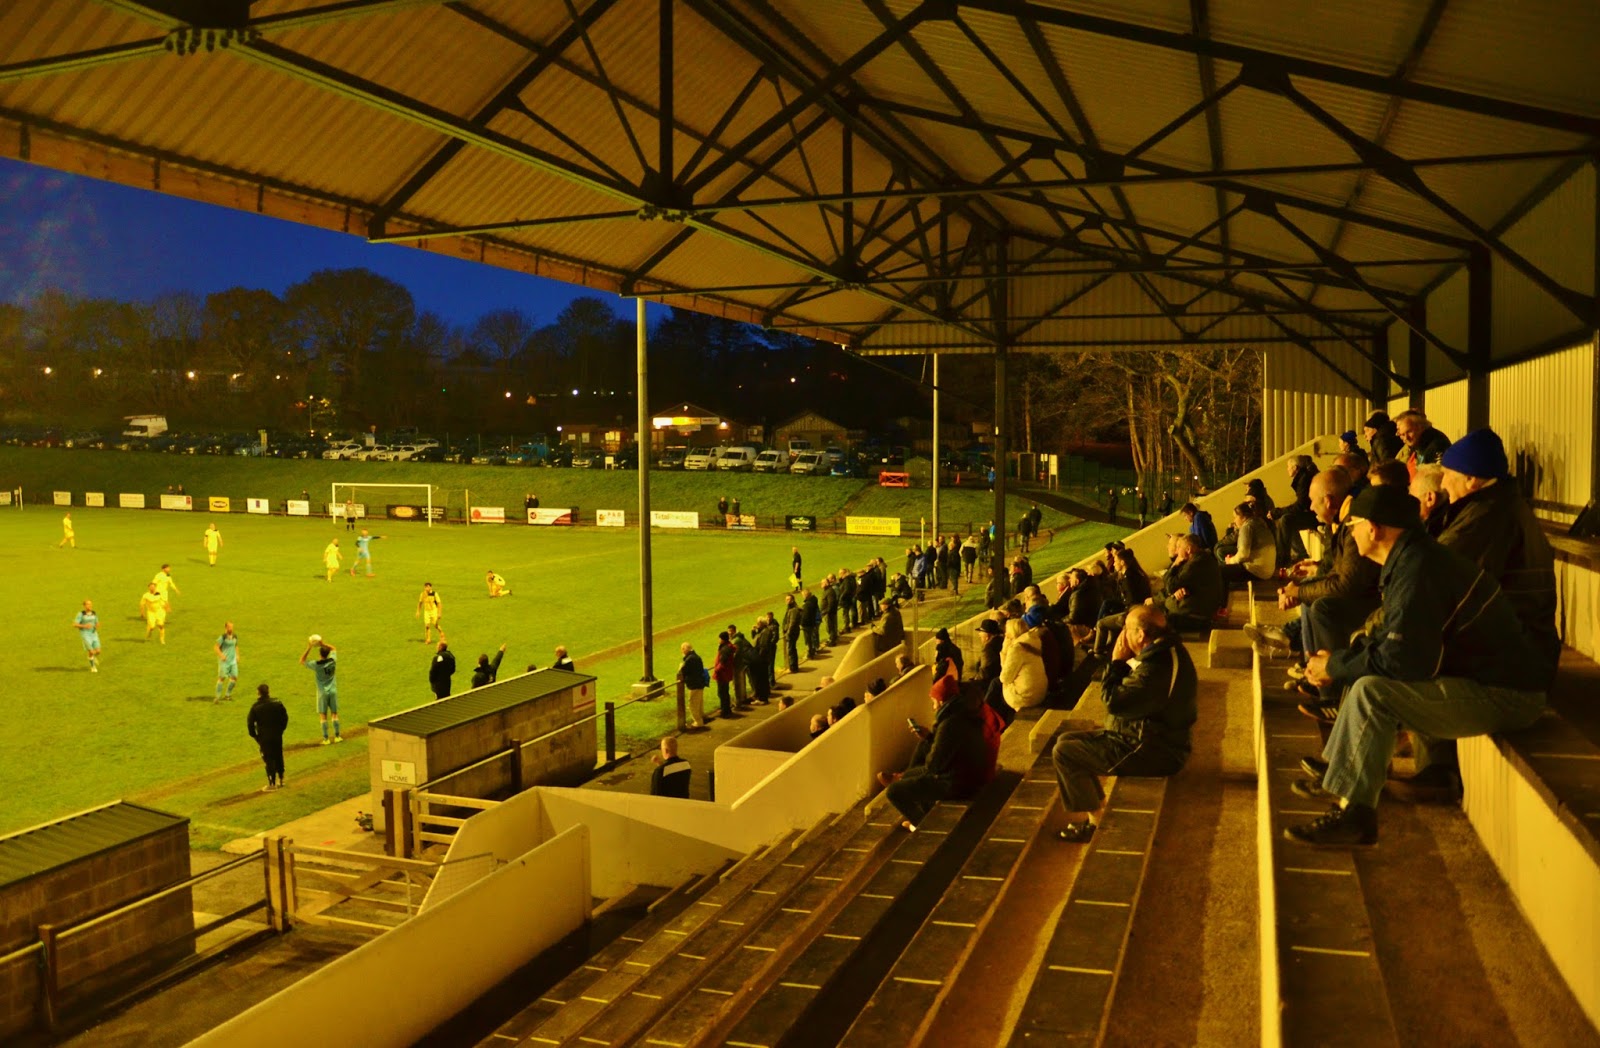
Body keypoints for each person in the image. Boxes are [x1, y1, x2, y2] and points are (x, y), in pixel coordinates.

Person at [1284, 485, 1548, 846]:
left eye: (1354, 524)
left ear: (1375, 528)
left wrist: (1336, 667)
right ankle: (1342, 781)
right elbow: (1396, 644)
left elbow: (1404, 660)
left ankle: (1356, 815)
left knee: (1371, 692)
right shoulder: (1412, 560)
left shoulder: (1418, 568)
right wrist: (1341, 660)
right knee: (1362, 669)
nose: (1351, 533)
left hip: (1508, 695)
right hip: (1485, 681)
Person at [1399, 428, 1560, 802]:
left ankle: (1437, 771)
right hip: (1519, 644)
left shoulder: (1488, 516)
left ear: (1470, 478)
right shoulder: (1493, 507)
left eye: (1449, 477)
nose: (1444, 486)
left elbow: (1435, 573)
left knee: (1413, 650)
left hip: (1516, 656)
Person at [1051, 605, 1198, 842]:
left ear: (1141, 635)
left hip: (1154, 751)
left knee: (1065, 751)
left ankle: (1097, 823)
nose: (1122, 637)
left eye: (1127, 630)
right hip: (1156, 738)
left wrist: (1117, 662)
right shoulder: (1168, 651)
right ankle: (1097, 809)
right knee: (1068, 740)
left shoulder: (1155, 669)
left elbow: (1113, 701)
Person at [884, 672, 993, 831]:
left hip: (959, 784)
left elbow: (933, 766)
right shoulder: (964, 713)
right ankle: (907, 783)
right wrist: (929, 737)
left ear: (941, 701)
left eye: (933, 702)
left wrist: (930, 745)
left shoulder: (949, 723)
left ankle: (924, 825)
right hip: (968, 775)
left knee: (893, 792)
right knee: (914, 765)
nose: (933, 706)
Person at [1221, 502, 1276, 588]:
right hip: (1267, 571)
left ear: (1243, 517)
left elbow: (1243, 554)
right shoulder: (1259, 523)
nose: (1234, 520)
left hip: (1256, 571)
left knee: (1219, 571)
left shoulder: (1247, 526)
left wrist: (1230, 561)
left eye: (1235, 517)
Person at [248, 684, 289, 792]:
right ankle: (281, 779)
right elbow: (285, 717)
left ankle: (272, 784)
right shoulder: (277, 703)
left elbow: (250, 724)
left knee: (269, 758)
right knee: (278, 755)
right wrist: (281, 730)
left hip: (264, 737)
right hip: (277, 735)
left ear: (258, 693)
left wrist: (256, 737)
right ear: (268, 691)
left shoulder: (255, 707)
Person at [301, 635, 342, 744]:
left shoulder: (316, 665)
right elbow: (333, 648)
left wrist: (309, 647)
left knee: (323, 715)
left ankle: (326, 739)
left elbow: (302, 660)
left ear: (320, 654)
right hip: (333, 690)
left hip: (322, 692)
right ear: (327, 653)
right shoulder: (333, 660)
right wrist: (322, 644)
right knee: (334, 714)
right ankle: (337, 737)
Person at [677, 641, 709, 729]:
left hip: (694, 684)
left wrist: (681, 667)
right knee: (698, 703)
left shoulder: (689, 659)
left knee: (693, 704)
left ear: (684, 649)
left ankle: (698, 722)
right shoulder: (696, 657)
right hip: (699, 683)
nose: (682, 651)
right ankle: (701, 719)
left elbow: (683, 671)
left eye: (682, 649)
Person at [728, 623, 753, 708]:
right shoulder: (738, 639)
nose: (729, 633)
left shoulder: (736, 640)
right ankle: (742, 698)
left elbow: (735, 653)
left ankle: (739, 701)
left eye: (730, 631)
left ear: (734, 631)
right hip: (740, 664)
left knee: (737, 684)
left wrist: (730, 661)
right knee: (741, 682)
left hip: (737, 665)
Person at [214, 621, 240, 702]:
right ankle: (217, 697)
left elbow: (236, 646)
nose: (231, 629)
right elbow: (216, 647)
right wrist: (221, 655)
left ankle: (227, 695)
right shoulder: (222, 637)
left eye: (232, 627)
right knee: (222, 678)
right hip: (224, 662)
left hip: (233, 661)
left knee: (234, 677)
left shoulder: (235, 636)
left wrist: (238, 655)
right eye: (229, 627)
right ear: (226, 628)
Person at [712, 631, 736, 718]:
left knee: (722, 693)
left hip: (723, 674)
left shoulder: (725, 649)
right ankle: (726, 709)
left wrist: (716, 670)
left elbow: (723, 663)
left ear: (722, 639)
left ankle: (725, 711)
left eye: (719, 638)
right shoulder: (728, 647)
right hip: (726, 673)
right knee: (724, 692)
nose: (718, 640)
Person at [73, 599, 101, 672]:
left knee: (98, 651)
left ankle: (93, 657)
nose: (89, 605)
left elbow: (97, 622)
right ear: (84, 606)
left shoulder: (94, 613)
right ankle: (93, 667)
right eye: (88, 604)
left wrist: (97, 625)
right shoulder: (81, 614)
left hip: (94, 634)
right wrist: (84, 626)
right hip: (85, 634)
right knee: (91, 652)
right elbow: (74, 624)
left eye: (90, 604)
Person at [781, 593, 803, 674]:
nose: (786, 601)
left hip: (792, 633)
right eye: (786, 599)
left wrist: (788, 633)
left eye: (788, 599)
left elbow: (792, 623)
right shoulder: (791, 609)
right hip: (792, 632)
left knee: (791, 650)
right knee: (792, 649)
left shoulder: (793, 610)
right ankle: (793, 666)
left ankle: (793, 668)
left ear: (792, 600)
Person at [801, 587, 821, 659]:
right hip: (812, 622)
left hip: (808, 624)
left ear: (806, 595)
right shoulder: (813, 600)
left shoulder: (808, 604)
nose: (802, 596)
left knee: (808, 639)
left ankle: (810, 653)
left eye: (803, 595)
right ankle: (813, 650)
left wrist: (802, 623)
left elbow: (805, 616)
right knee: (812, 637)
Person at [820, 576, 839, 647]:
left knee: (830, 627)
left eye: (822, 583)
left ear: (827, 583)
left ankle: (832, 641)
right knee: (830, 627)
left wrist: (826, 612)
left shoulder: (829, 591)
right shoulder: (827, 591)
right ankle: (831, 639)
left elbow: (831, 603)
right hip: (827, 612)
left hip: (828, 613)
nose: (821, 584)